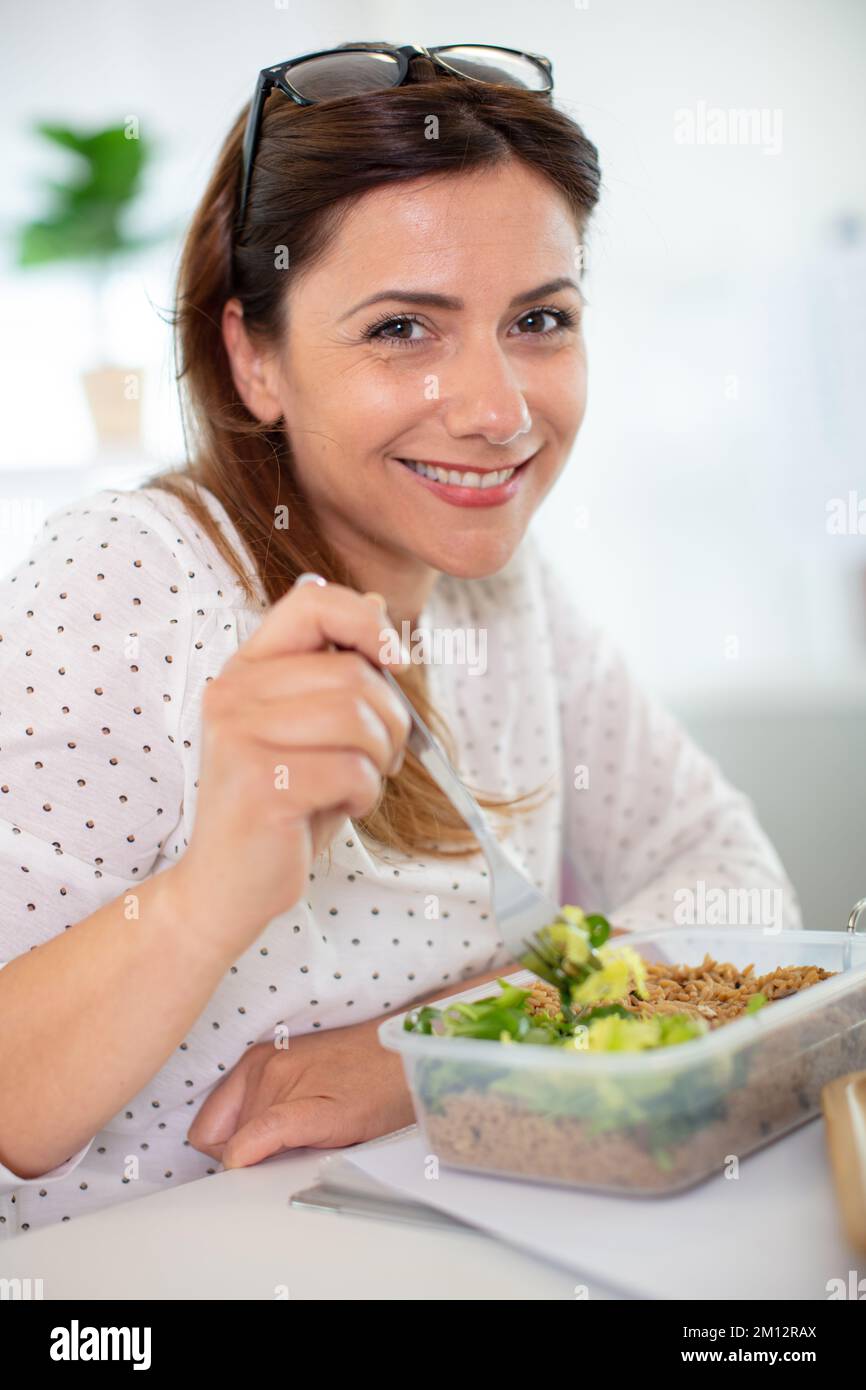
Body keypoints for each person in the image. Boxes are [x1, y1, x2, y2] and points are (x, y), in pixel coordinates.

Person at [0, 42, 800, 1239]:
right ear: (253, 356)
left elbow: (734, 887)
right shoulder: (131, 579)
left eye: (539, 318)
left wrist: (421, 1049)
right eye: (400, 331)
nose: (496, 412)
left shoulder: (504, 591)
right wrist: (206, 893)